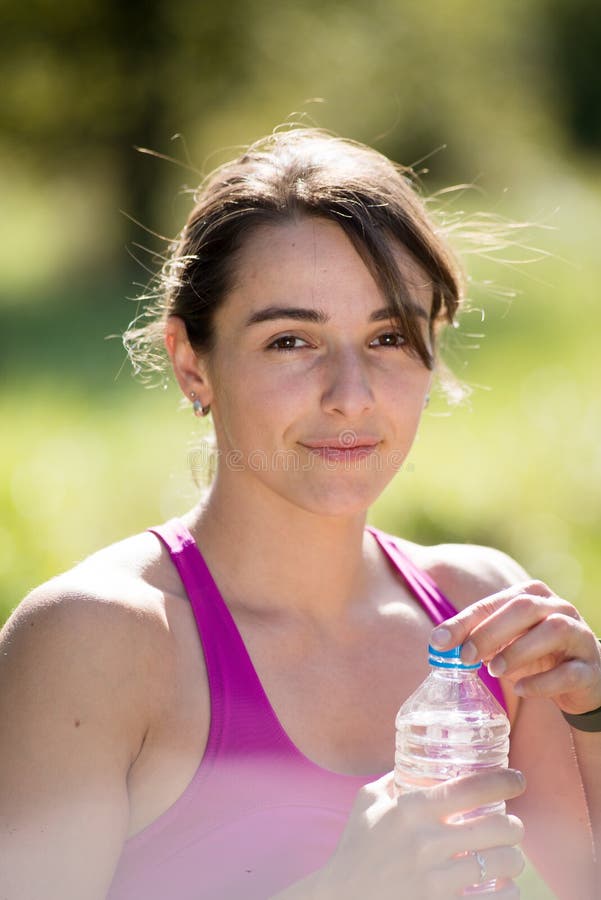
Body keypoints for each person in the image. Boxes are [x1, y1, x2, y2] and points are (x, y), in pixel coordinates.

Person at [1, 128, 599, 900]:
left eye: (387, 336)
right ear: (191, 362)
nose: (350, 393)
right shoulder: (96, 642)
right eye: (291, 340)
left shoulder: (481, 613)